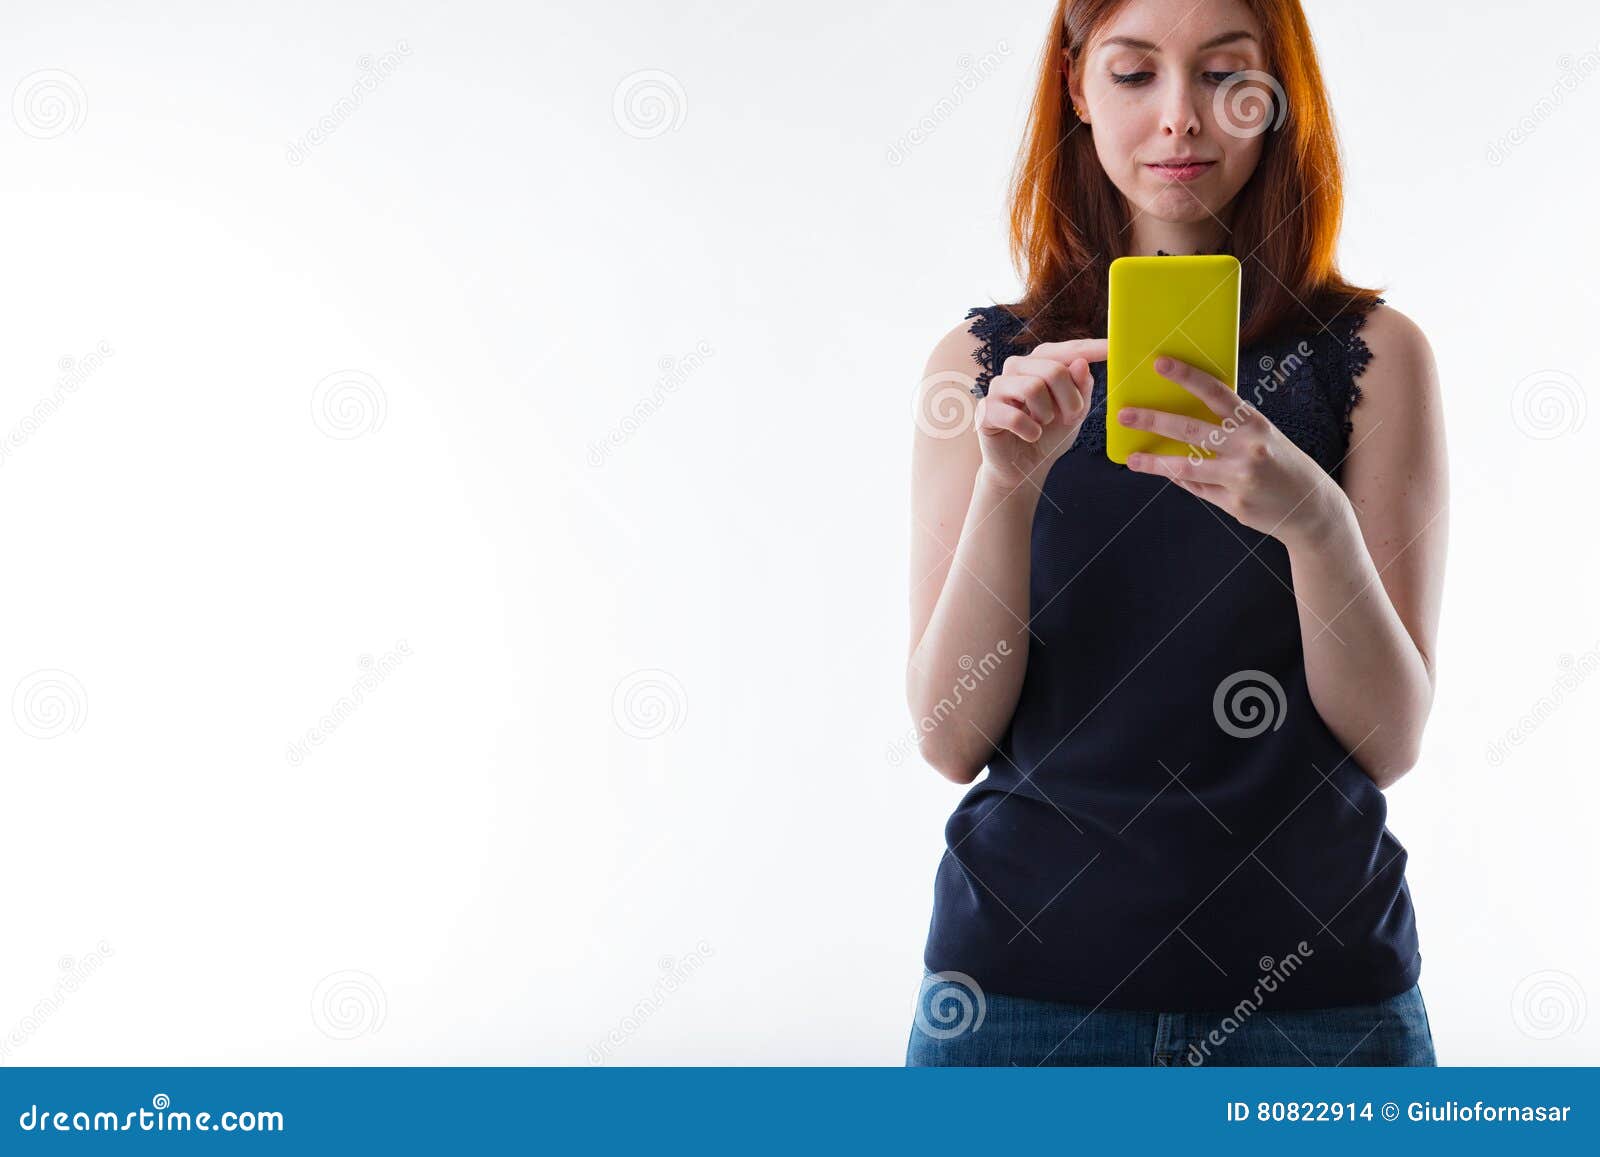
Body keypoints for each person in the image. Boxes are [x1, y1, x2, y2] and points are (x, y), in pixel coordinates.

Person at [904, 0, 1448, 1066]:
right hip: (1020, 1004)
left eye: (1223, 75)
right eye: (1134, 73)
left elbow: (1388, 741)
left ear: (1276, 94)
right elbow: (946, 736)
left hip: (1320, 1009)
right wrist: (1008, 486)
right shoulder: (983, 368)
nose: (1179, 120)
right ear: (1077, 89)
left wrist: (1313, 522)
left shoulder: (1374, 357)